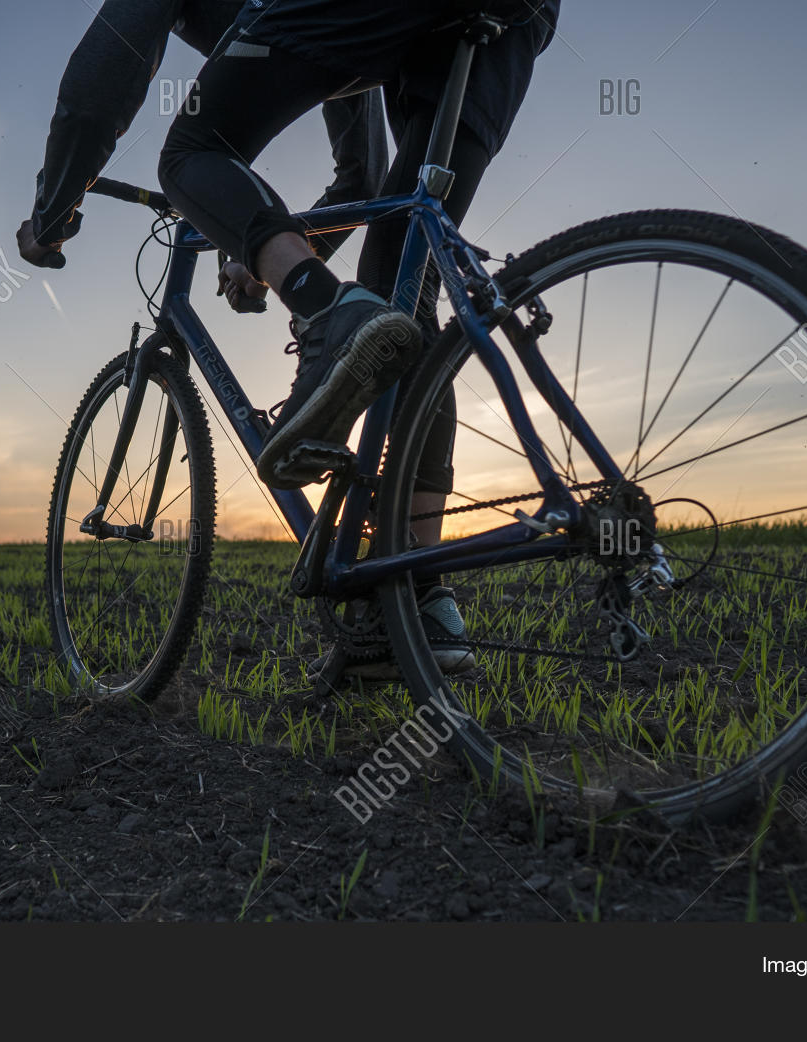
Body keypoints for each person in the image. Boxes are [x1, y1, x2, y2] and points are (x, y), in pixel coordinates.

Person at [159, 0, 559, 674]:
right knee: (401, 290)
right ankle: (414, 595)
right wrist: (265, 245)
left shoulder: (290, 21)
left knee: (190, 156)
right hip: (510, 26)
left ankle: (330, 317)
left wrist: (56, 203)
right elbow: (363, 173)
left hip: (435, 37)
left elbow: (110, 78)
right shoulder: (347, 49)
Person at [17, 0, 388, 272]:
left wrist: (52, 215)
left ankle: (326, 308)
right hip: (413, 35)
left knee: (186, 156)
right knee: (412, 224)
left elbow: (90, 104)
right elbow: (364, 181)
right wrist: (274, 255)